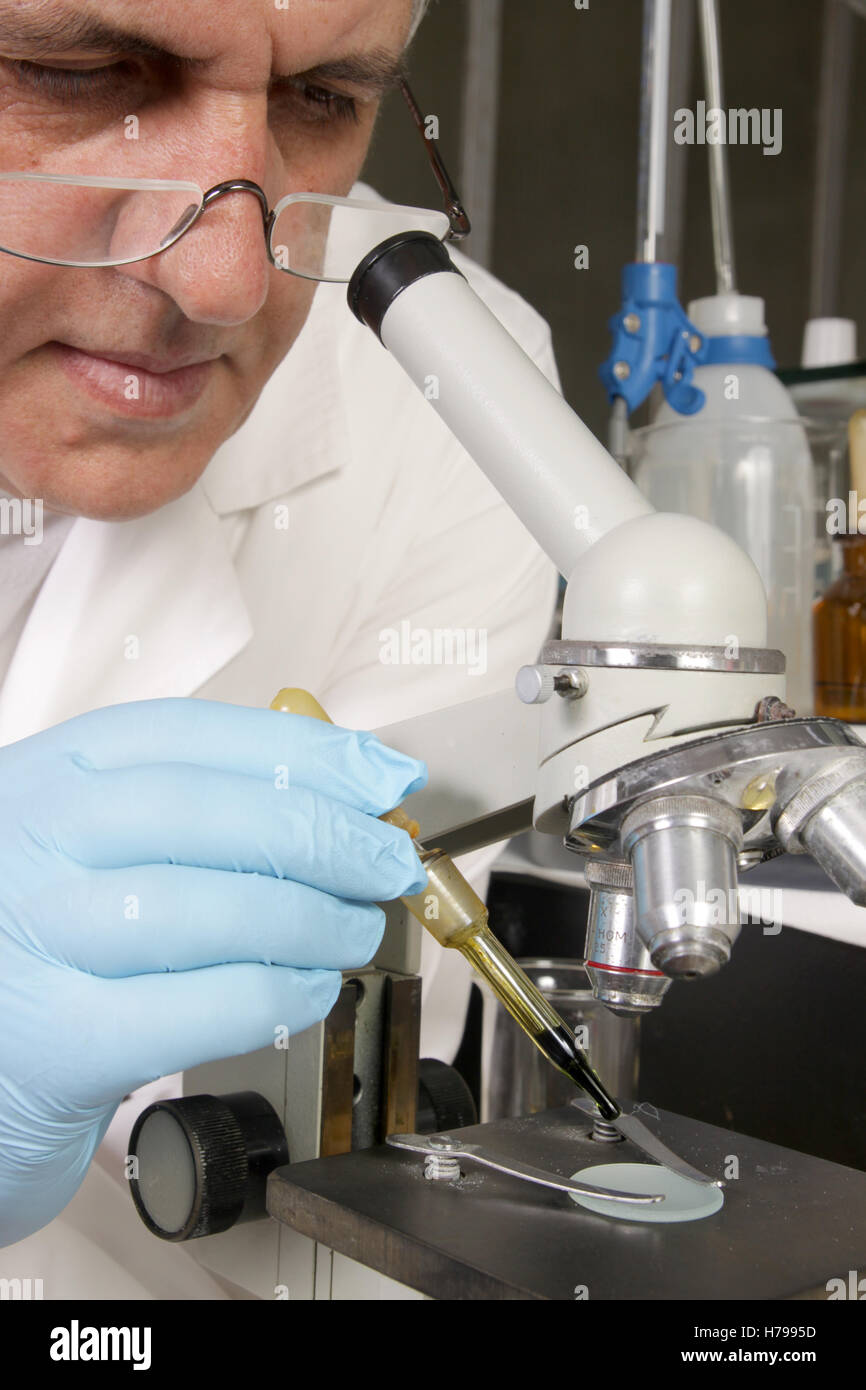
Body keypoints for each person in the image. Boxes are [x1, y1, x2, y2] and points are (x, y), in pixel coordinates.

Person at [0, 0, 559, 1295]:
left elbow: (325, 1192)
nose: (229, 280)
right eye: (80, 74)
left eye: (322, 101)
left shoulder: (448, 400)